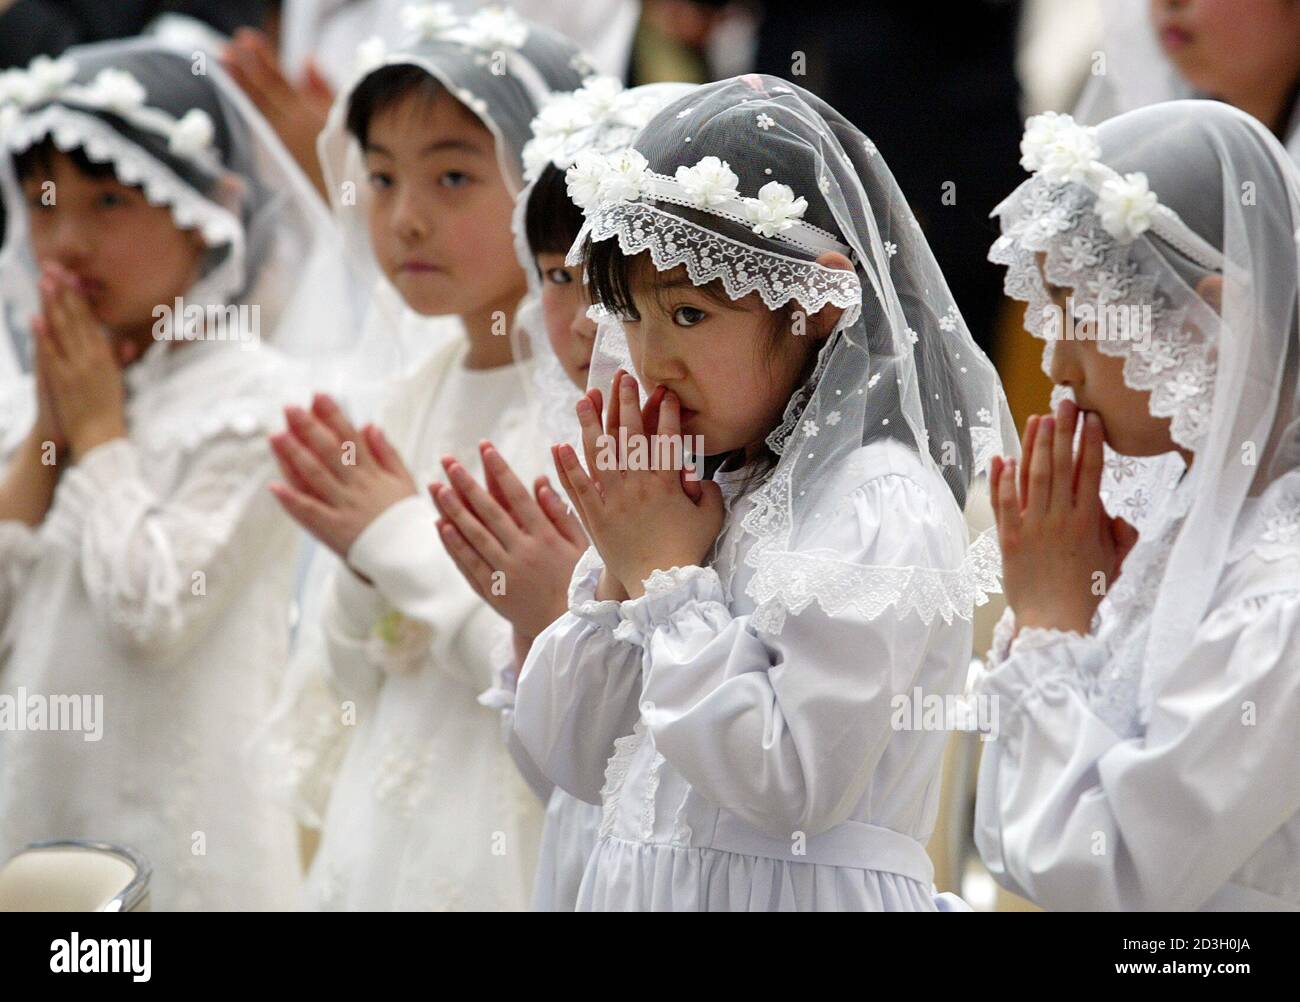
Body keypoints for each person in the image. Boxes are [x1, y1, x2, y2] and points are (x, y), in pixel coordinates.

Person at [513, 73, 1015, 911]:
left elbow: (791, 781)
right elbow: (570, 757)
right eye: (630, 316)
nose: (651, 360)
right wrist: (622, 571)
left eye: (689, 316)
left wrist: (671, 586)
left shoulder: (876, 498)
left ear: (812, 305)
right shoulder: (705, 499)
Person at [0, 38, 351, 909]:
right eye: (46, 206)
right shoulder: (51, 398)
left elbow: (156, 611)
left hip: (186, 837)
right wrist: (49, 436)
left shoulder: (264, 405)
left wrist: (99, 436)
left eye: (111, 201)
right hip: (38, 818)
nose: (66, 243)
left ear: (209, 211)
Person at [267, 6, 591, 910]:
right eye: (379, 179)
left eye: (452, 177)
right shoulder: (419, 388)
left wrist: (395, 535)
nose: (405, 219)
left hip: (506, 829)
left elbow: (557, 666)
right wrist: (359, 561)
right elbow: (350, 667)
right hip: (385, 818)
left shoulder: (581, 408)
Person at [975, 103, 1300, 910]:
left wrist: (1053, 621)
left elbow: (1113, 877)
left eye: (1079, 313)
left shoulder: (1281, 596)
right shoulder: (1166, 522)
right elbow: (1009, 837)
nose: (1054, 361)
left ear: (1209, 320)